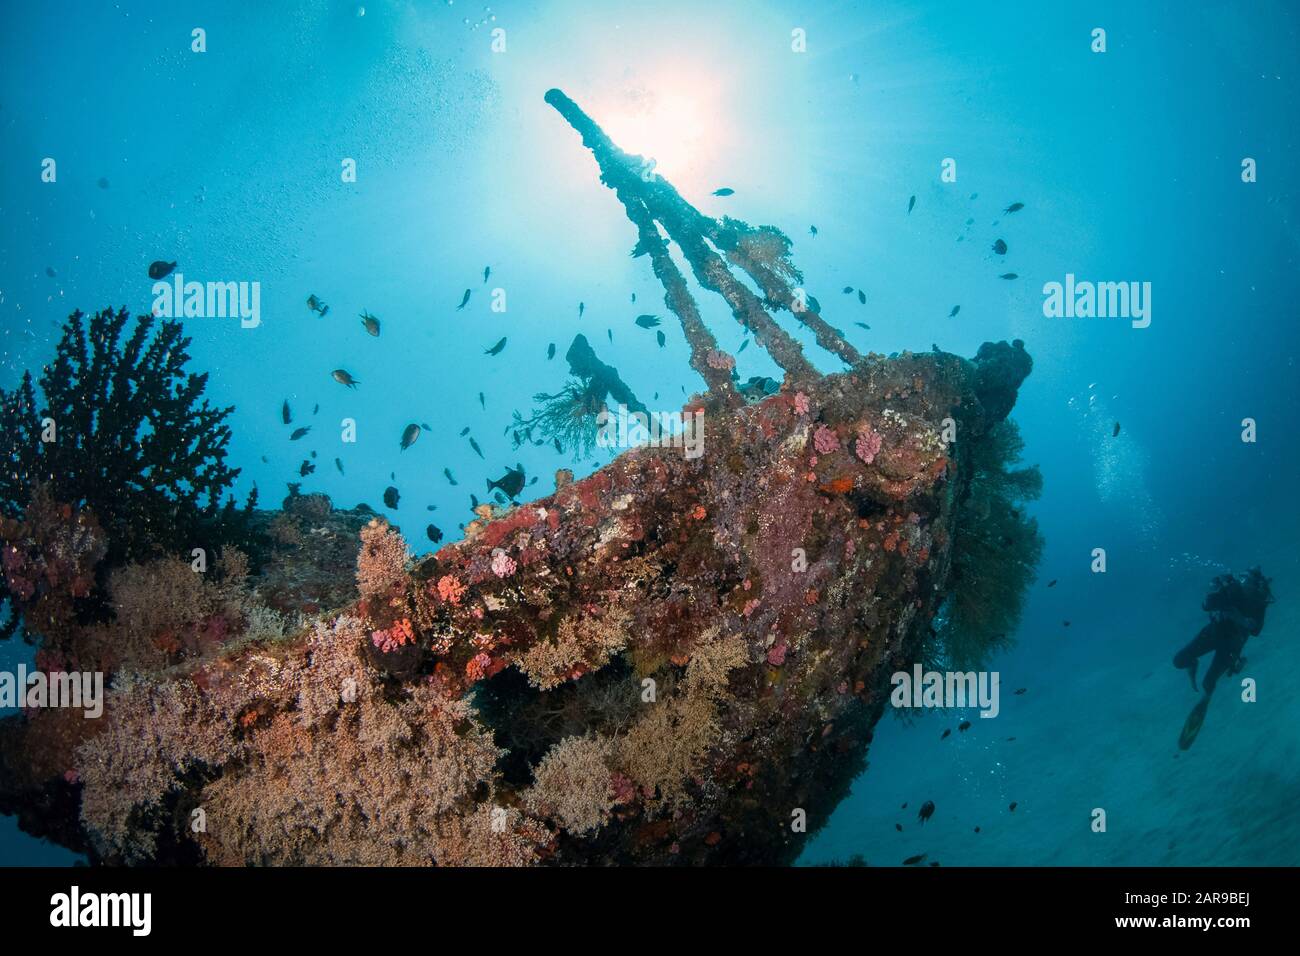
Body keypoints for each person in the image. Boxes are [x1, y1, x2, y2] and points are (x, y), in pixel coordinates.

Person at [1174, 567, 1272, 697]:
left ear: (1256, 583)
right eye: (1242, 578)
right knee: (1179, 661)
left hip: (1232, 642)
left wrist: (1242, 620)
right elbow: (1207, 606)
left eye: (1248, 579)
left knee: (1208, 683)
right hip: (1213, 633)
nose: (1244, 582)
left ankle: (1209, 691)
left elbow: (1255, 631)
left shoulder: (1258, 600)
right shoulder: (1231, 589)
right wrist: (1214, 591)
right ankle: (1193, 665)